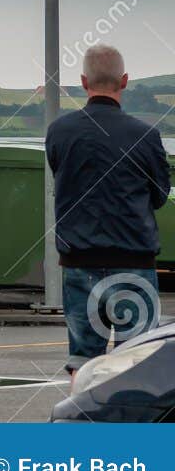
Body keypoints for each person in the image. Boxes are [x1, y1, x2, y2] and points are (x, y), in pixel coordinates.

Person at [46, 43, 170, 374]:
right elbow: (159, 196)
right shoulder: (146, 136)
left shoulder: (59, 131)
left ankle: (84, 423)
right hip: (133, 264)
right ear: (125, 81)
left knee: (83, 365)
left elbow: (61, 176)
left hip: (79, 263)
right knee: (138, 366)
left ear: (85, 82)